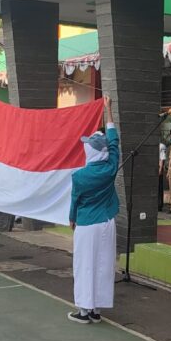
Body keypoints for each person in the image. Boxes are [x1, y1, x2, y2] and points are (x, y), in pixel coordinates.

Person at [67, 97, 118, 324]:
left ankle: (84, 311)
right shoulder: (111, 167)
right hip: (107, 223)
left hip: (87, 224)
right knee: (103, 264)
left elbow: (75, 201)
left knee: (85, 265)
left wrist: (71, 219)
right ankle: (97, 309)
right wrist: (109, 111)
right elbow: (114, 141)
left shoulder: (79, 176)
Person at [158, 140, 167, 212]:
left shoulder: (161, 146)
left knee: (159, 188)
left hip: (158, 168)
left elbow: (162, 159)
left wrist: (160, 169)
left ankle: (159, 205)